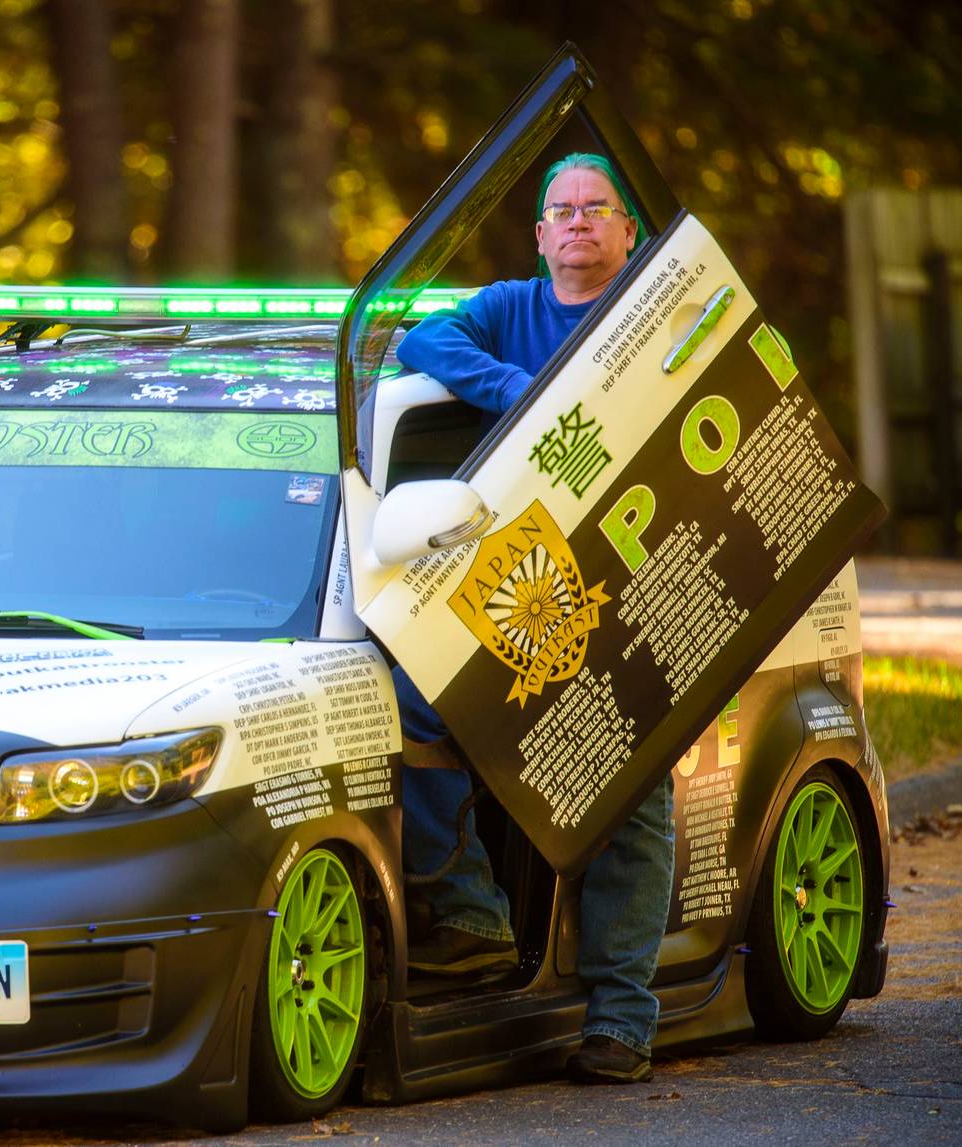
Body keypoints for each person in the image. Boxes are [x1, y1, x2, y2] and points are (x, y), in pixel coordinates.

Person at [391, 152, 676, 1086]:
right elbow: (420, 342)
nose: (580, 221)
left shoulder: (657, 314)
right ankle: (470, 907)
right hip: (517, 587)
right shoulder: (510, 308)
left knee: (625, 792)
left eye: (599, 208)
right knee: (415, 701)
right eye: (564, 209)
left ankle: (622, 1021)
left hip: (633, 585)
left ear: (629, 231)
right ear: (542, 233)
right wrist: (517, 391)